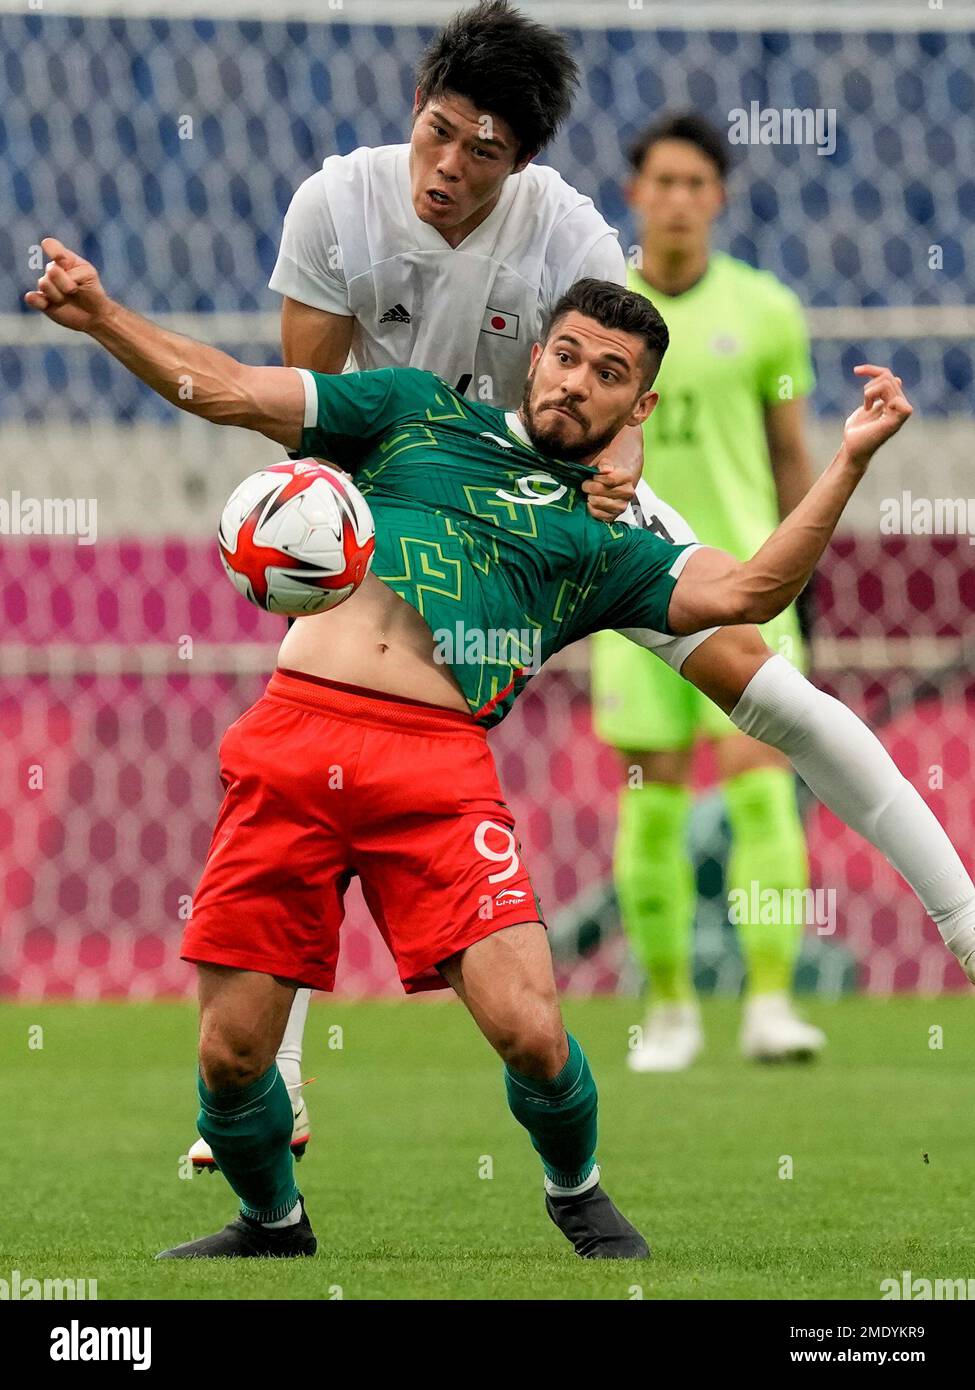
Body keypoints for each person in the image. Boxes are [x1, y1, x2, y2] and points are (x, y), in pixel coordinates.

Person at [28, 242, 975, 1264]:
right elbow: (227, 390)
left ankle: (577, 1187)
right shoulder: (412, 412)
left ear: (640, 408)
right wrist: (102, 312)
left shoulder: (607, 539)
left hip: (435, 770)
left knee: (529, 1026)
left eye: (610, 373)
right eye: (567, 355)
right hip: (291, 737)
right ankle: (272, 1221)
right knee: (229, 1053)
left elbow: (751, 595)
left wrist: (850, 461)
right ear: (535, 356)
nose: (578, 381)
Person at [227, 0, 644, 1165]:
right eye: (438, 132)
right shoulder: (335, 204)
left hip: (546, 500)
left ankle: (957, 919)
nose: (449, 167)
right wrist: (359, 527)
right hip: (391, 489)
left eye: (485, 151)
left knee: (760, 672)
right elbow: (306, 423)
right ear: (417, 107)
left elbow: (617, 404)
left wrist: (613, 482)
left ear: (525, 164)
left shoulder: (572, 237)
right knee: (316, 740)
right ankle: (286, 1081)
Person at [590, 112, 823, 1070]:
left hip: (746, 590)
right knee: (650, 803)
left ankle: (770, 1003)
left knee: (766, 793)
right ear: (635, 193)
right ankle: (672, 1010)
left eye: (696, 183)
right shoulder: (600, 316)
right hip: (628, 588)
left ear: (717, 198)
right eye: (662, 182)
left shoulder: (765, 310)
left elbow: (788, 458)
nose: (679, 199)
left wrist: (802, 579)